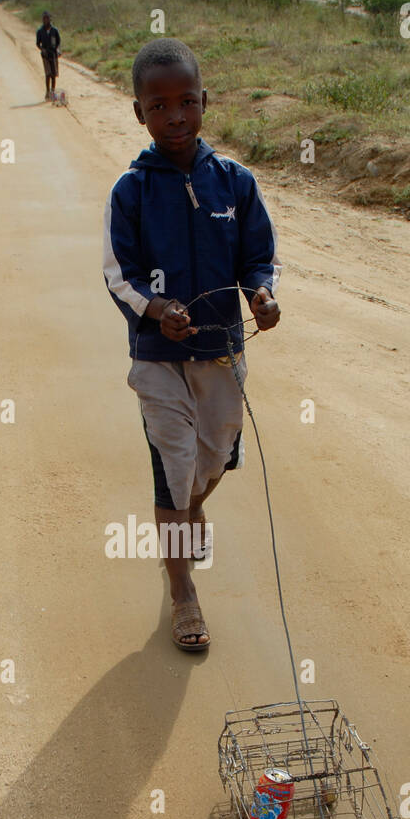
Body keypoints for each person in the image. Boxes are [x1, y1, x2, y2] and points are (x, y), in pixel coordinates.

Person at [103, 37, 281, 652]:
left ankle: (192, 508)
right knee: (172, 472)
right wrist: (155, 310)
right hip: (157, 361)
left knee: (214, 461)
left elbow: (258, 257)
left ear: (205, 102)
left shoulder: (235, 183)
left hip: (222, 355)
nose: (174, 116)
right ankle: (183, 593)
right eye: (158, 106)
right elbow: (115, 275)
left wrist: (262, 295)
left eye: (185, 102)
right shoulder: (130, 191)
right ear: (139, 114)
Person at [35, 11, 61, 100]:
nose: (45, 20)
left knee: (54, 74)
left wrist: (58, 50)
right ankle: (47, 91)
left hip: (53, 54)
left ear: (50, 19)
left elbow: (58, 42)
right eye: (44, 19)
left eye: (47, 18)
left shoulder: (55, 30)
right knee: (47, 73)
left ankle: (53, 91)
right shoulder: (40, 31)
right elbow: (38, 43)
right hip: (45, 55)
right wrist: (42, 49)